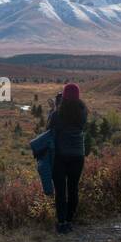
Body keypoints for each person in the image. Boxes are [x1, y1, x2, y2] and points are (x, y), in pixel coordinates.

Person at [47, 82, 87, 233]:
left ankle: (61, 222)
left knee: (60, 191)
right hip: (78, 156)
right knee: (73, 189)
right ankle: (70, 221)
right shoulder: (83, 111)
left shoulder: (57, 114)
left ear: (63, 97)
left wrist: (53, 109)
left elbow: (49, 129)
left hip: (60, 156)